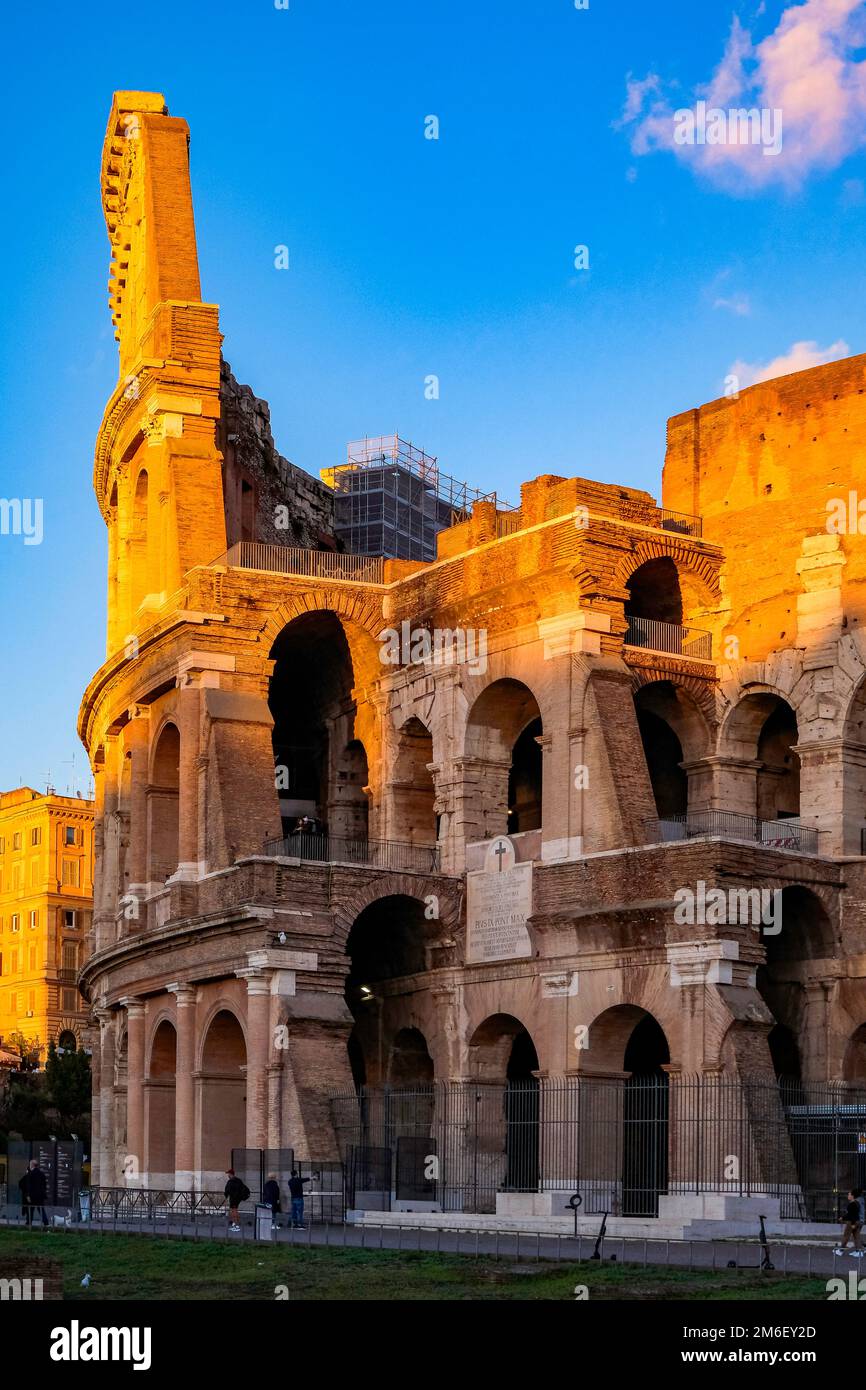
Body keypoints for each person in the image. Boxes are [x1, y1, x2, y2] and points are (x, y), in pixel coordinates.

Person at [834, 1187, 864, 1256]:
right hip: (857, 1221)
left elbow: (852, 1215)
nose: (848, 1196)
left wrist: (852, 1223)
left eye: (849, 1194)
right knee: (856, 1236)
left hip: (851, 1222)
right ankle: (859, 1251)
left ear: (853, 1196)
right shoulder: (857, 1203)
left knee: (846, 1235)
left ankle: (841, 1250)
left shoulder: (853, 1204)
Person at [19, 1160, 49, 1228]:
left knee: (30, 1211)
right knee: (41, 1210)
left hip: (32, 1196)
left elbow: (28, 1186)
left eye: (30, 1164)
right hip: (40, 1197)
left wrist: (27, 1195)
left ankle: (28, 1223)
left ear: (32, 1165)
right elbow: (44, 1186)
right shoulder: (42, 1174)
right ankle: (46, 1223)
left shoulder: (30, 1174)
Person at [224, 1169, 250, 1233]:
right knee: (235, 1210)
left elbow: (227, 1190)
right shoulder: (239, 1180)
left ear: (230, 1174)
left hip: (233, 1198)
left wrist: (226, 1196)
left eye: (228, 1174)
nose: (228, 1175)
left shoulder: (231, 1181)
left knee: (234, 1211)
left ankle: (236, 1225)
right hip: (238, 1198)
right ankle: (235, 1224)